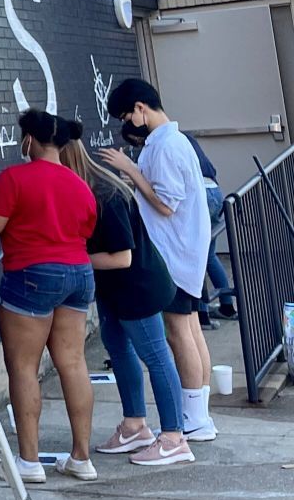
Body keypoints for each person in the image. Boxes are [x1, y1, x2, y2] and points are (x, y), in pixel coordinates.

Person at [59, 126, 192, 466]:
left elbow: (123, 257)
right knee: (118, 350)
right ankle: (135, 425)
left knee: (156, 356)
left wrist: (73, 257)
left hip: (137, 288)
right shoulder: (82, 188)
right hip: (114, 290)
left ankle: (174, 437)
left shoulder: (105, 194)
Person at [0, 109, 97, 484]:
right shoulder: (80, 184)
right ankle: (81, 458)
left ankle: (29, 462)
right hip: (79, 273)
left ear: (29, 139)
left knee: (24, 367)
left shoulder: (14, 177)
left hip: (30, 273)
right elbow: (86, 228)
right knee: (74, 363)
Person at [102, 80, 219, 443]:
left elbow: (167, 204)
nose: (129, 123)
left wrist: (131, 171)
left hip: (173, 254)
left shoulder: (166, 145)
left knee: (179, 332)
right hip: (184, 251)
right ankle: (198, 414)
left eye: (127, 115)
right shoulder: (171, 141)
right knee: (190, 329)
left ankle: (194, 418)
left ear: (141, 108)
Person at [185, 132, 239, 321]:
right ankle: (226, 306)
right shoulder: (188, 141)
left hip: (200, 195)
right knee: (208, 255)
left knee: (196, 256)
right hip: (215, 192)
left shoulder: (168, 145)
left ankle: (202, 313)